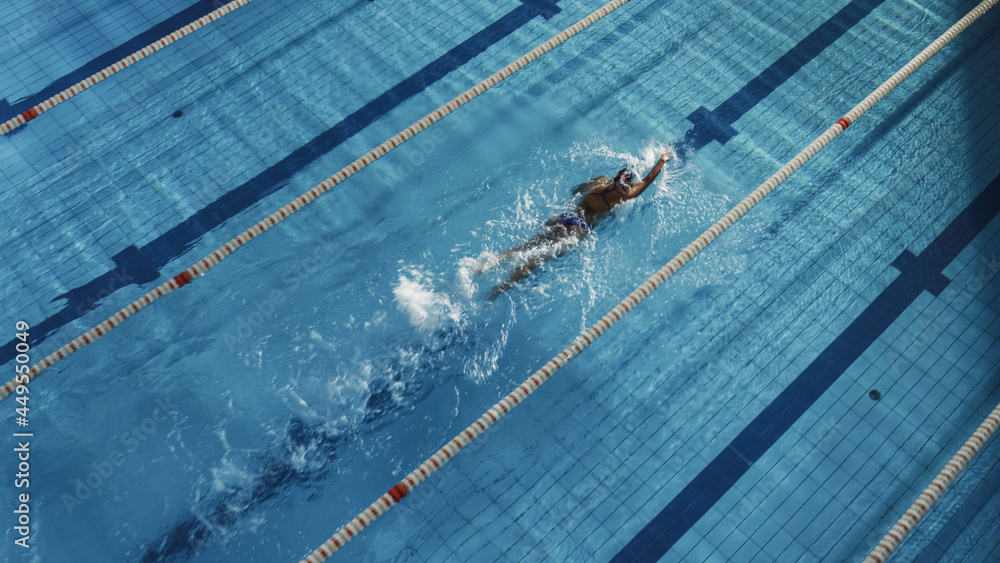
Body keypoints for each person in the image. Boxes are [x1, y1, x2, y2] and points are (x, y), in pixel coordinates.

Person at [485, 151, 672, 298]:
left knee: (530, 244)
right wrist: (662, 160)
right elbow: (648, 179)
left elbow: (577, 189)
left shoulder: (600, 181)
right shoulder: (624, 195)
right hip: (579, 227)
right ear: (627, 184)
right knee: (540, 257)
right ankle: (504, 287)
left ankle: (490, 262)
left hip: (567, 215)